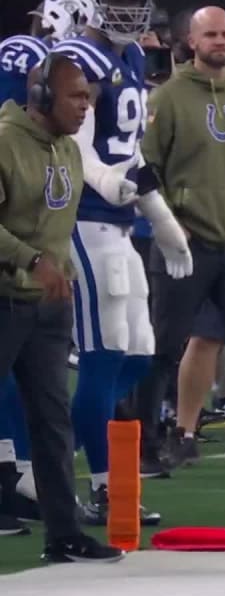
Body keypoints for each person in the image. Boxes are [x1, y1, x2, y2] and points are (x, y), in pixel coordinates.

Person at [53, 0, 195, 525]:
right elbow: (75, 144)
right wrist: (111, 184)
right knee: (105, 352)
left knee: (139, 352)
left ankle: (58, 451)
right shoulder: (78, 58)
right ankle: (102, 486)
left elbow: (131, 151)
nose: (129, 9)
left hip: (121, 220)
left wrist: (161, 219)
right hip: (85, 220)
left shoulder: (132, 56)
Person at [133, 6, 225, 475]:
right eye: (210, 34)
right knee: (162, 350)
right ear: (191, 42)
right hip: (182, 246)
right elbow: (144, 167)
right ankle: (147, 447)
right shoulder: (168, 97)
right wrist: (170, 224)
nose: (220, 41)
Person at [0, 53, 122, 561]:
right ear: (42, 97)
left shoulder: (69, 151)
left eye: (88, 95)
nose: (85, 105)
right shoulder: (4, 142)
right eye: (75, 95)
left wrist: (61, 270)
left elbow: (58, 224)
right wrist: (32, 260)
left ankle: (64, 535)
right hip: (4, 299)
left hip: (47, 307)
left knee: (53, 420)